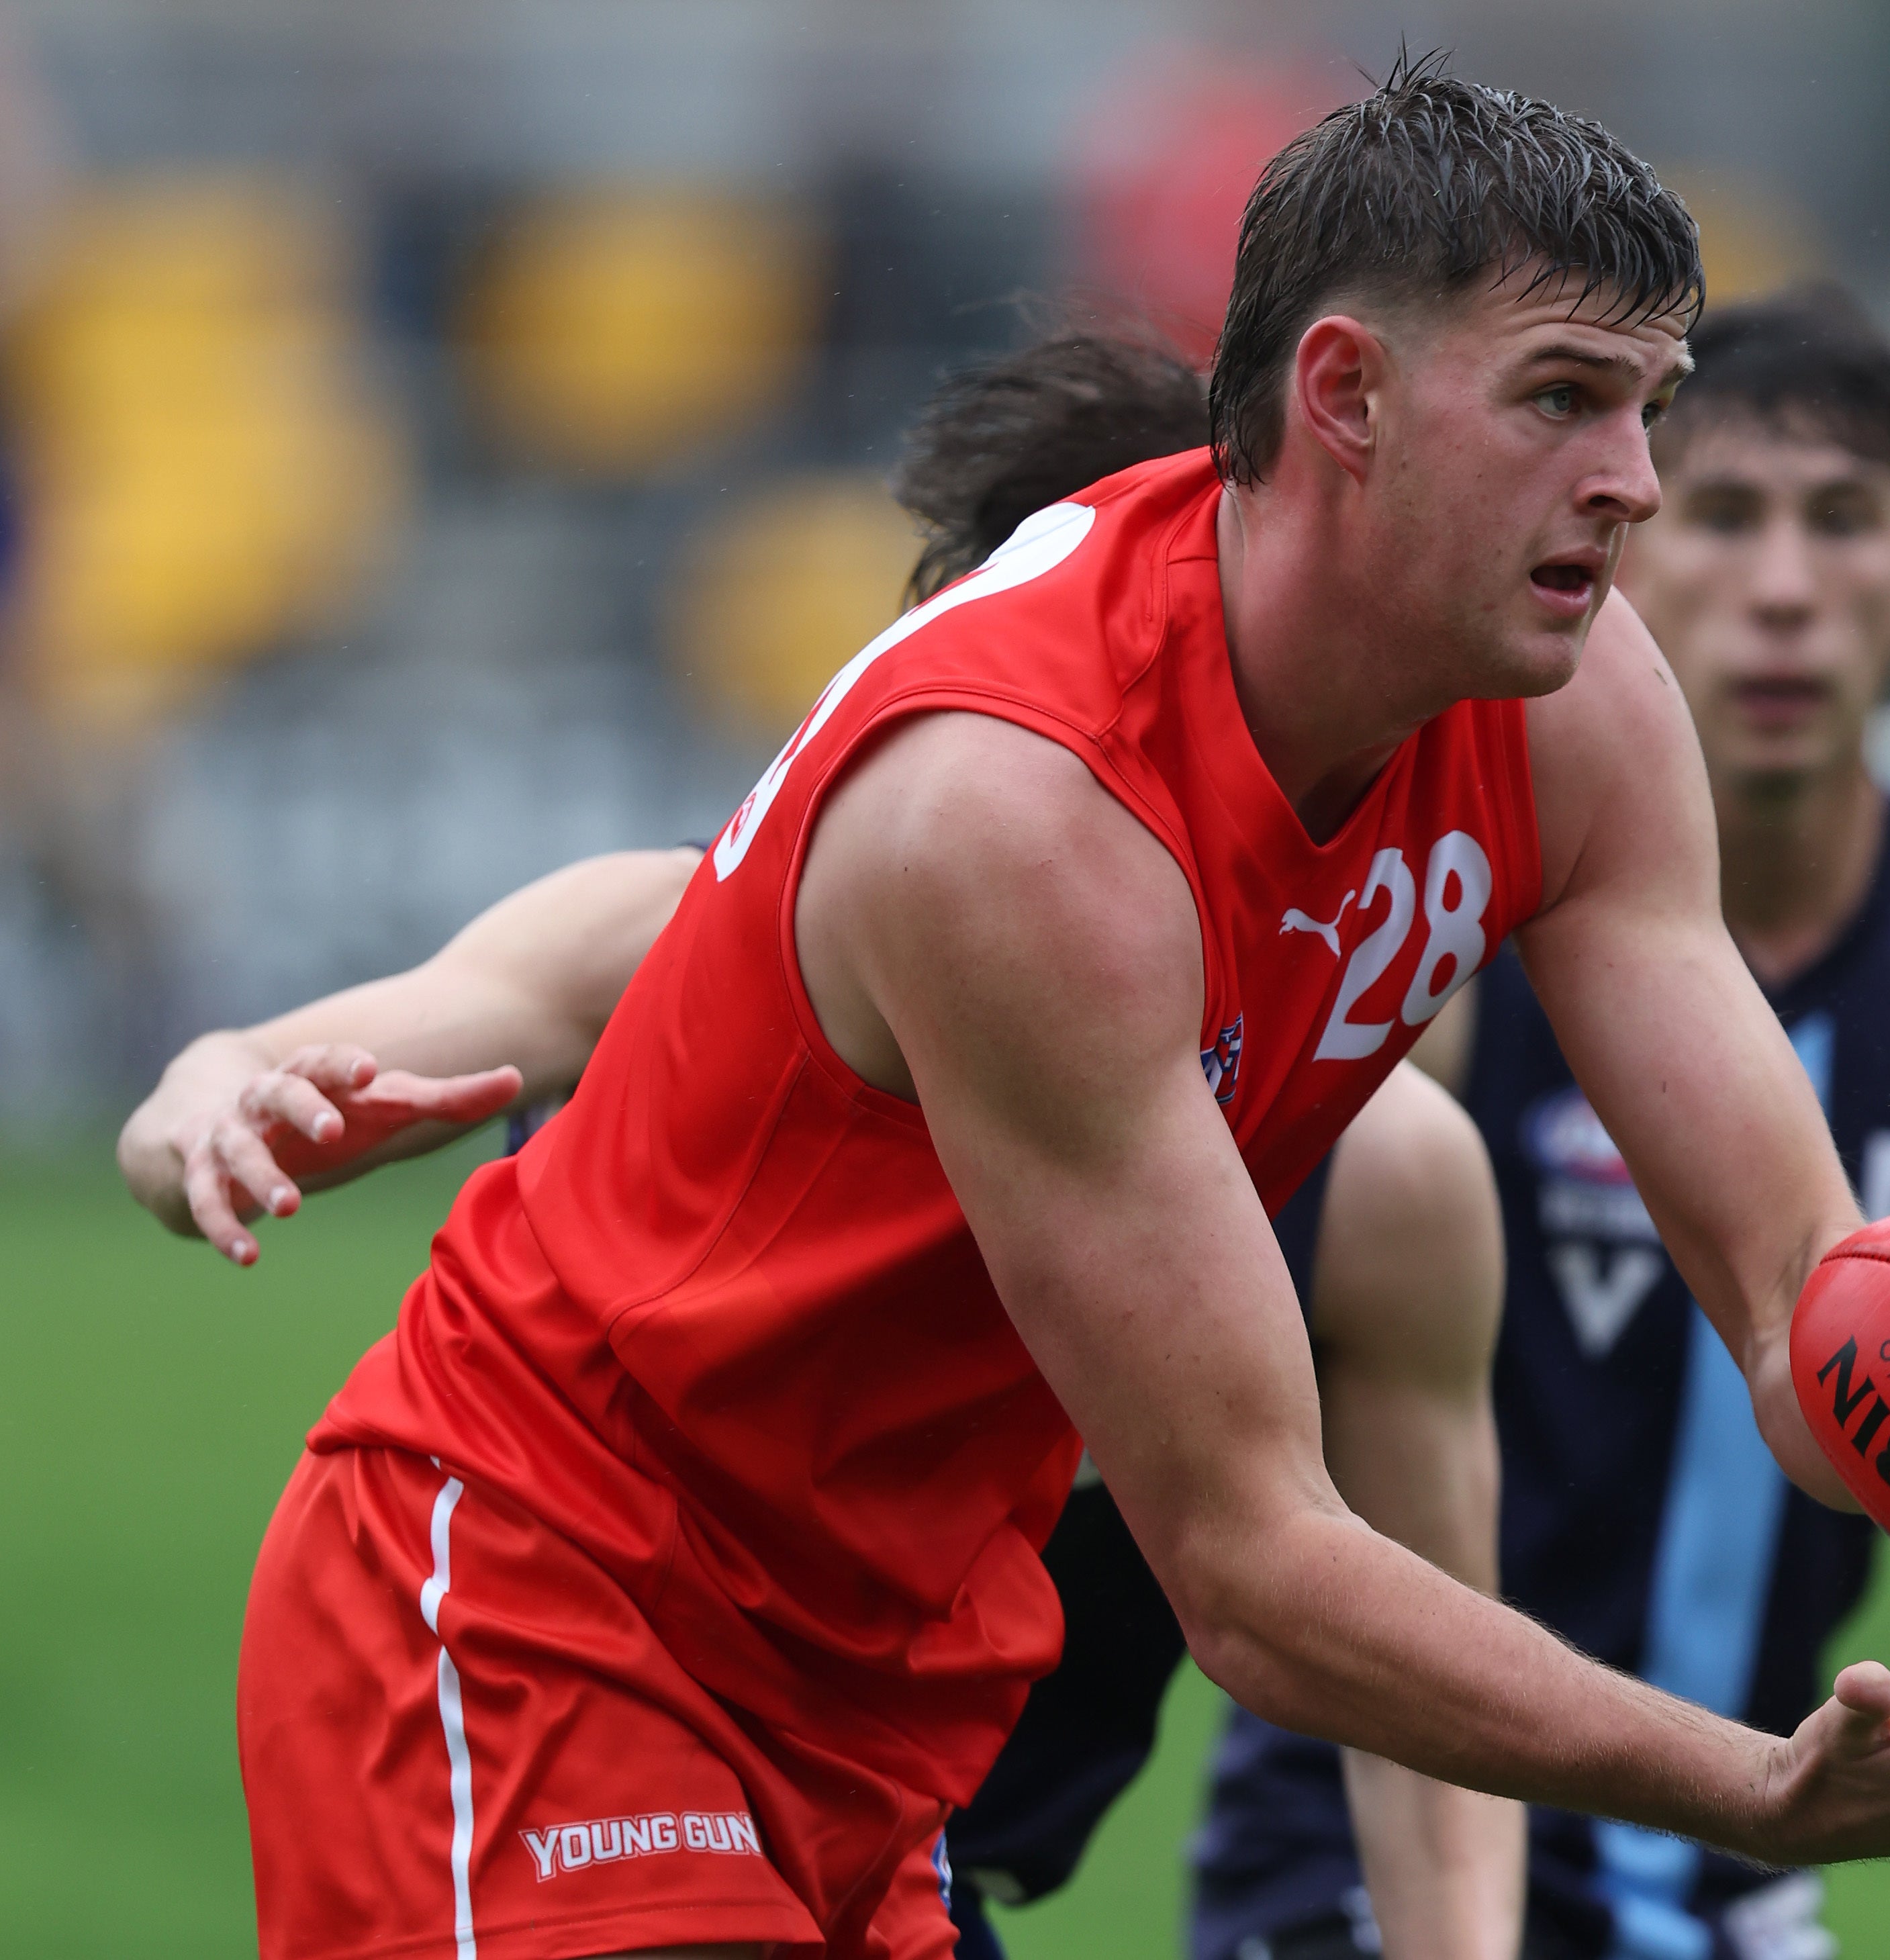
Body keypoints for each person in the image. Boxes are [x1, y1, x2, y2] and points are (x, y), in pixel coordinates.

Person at [203, 62, 1890, 1960]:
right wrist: (1743, 1793)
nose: (1636, 486)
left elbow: (1798, 1291)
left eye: (1652, 406)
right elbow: (1254, 1572)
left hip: (877, 1682)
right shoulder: (1020, 812)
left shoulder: (1581, 708)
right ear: (1342, 391)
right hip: (545, 1604)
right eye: (1566, 400)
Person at [121, 332, 1527, 1960]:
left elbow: (1427, 1692)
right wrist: (210, 1097)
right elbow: (259, 1076)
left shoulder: (1379, 1173)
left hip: (910, 1844)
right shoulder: (686, 930)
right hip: (600, 1714)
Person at [1190, 287, 1890, 1960]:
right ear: (1627, 552)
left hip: (1749, 1870)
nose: (1786, 590)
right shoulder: (1453, 917)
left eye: (1843, 523)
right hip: (1378, 1851)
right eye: (1726, 515)